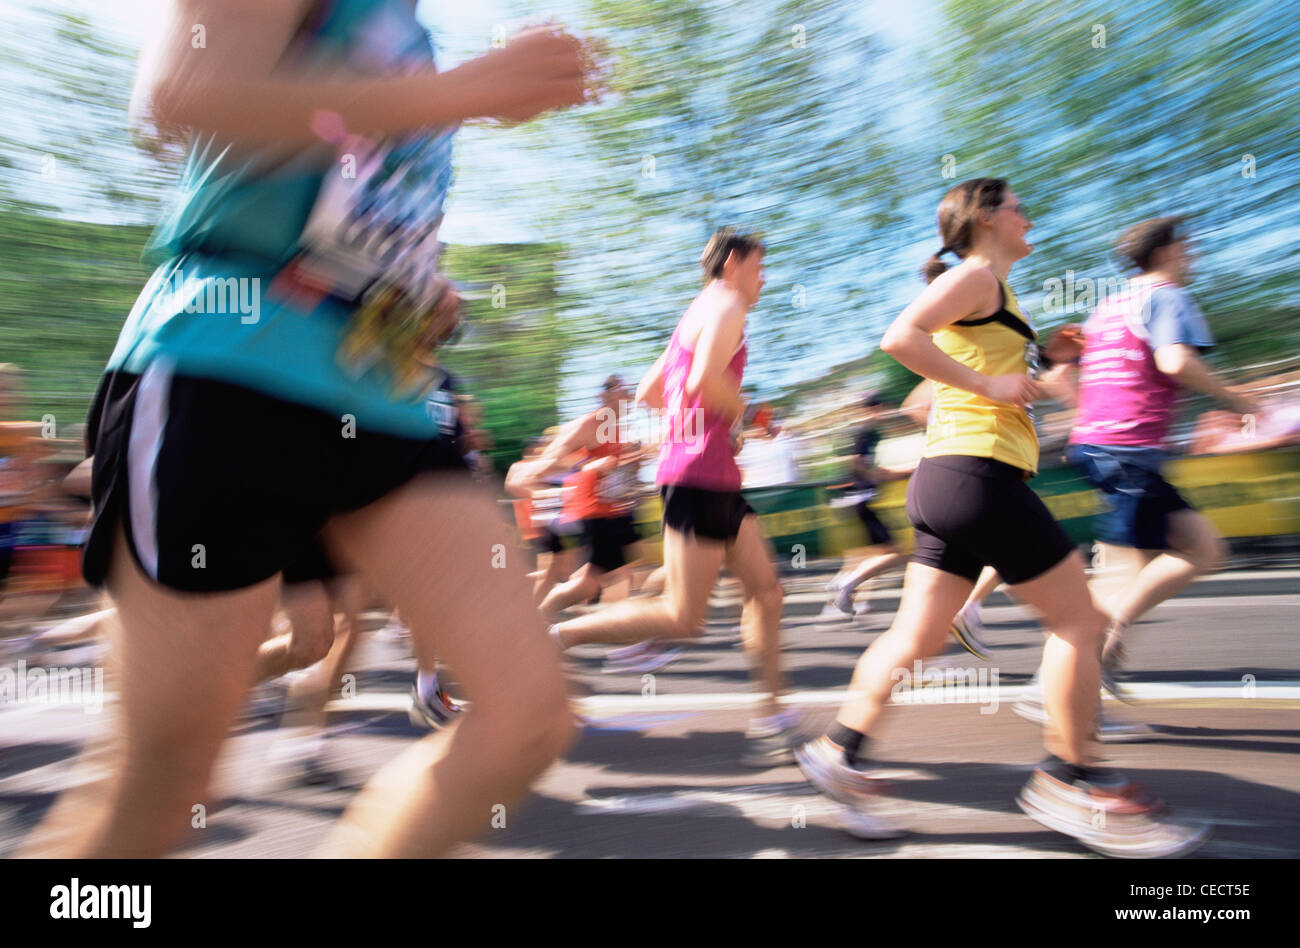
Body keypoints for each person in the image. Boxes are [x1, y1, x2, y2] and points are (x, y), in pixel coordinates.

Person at [21, 0, 593, 858]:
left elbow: (342, 194)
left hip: (384, 391)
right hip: (226, 363)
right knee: (163, 790)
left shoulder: (405, 21)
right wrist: (461, 91)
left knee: (524, 718)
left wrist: (412, 281)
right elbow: (182, 91)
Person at [794, 179, 1207, 856]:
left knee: (917, 637)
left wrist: (1045, 363)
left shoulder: (995, 297)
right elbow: (899, 336)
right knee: (1080, 619)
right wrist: (990, 385)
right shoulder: (978, 276)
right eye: (1019, 206)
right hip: (976, 478)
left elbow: (959, 392)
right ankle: (1072, 779)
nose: (1029, 215)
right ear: (987, 218)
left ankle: (839, 751)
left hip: (950, 480)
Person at [525, 228, 794, 767]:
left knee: (766, 591)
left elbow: (656, 392)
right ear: (735, 262)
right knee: (681, 617)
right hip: (698, 477)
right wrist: (751, 414)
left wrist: (712, 424)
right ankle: (550, 640)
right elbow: (700, 381)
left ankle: (772, 715)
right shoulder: (728, 304)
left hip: (709, 473)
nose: (764, 279)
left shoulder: (694, 313)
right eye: (760, 266)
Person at [1064, 217, 1258, 701]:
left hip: (1110, 447)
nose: (1193, 256)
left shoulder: (1107, 306)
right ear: (1169, 250)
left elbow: (1106, 377)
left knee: (1206, 550)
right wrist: (1238, 400)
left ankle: (1102, 648)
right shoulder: (1168, 296)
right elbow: (1174, 362)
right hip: (1126, 451)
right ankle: (1069, 686)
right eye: (1189, 247)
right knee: (1123, 580)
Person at [509, 376, 645, 622]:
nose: (626, 392)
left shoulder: (619, 427)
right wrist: (590, 467)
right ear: (604, 396)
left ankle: (615, 626)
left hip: (615, 509)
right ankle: (532, 622)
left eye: (628, 388)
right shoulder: (593, 422)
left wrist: (631, 463)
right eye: (619, 388)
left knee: (605, 574)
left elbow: (614, 469)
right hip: (596, 510)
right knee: (588, 581)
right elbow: (547, 463)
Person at [826, 393, 906, 617]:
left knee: (864, 554)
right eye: (885, 409)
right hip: (859, 498)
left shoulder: (866, 431)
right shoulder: (866, 431)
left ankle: (840, 599)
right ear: (876, 409)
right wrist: (872, 476)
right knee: (893, 553)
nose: (887, 414)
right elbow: (855, 460)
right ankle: (846, 584)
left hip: (853, 499)